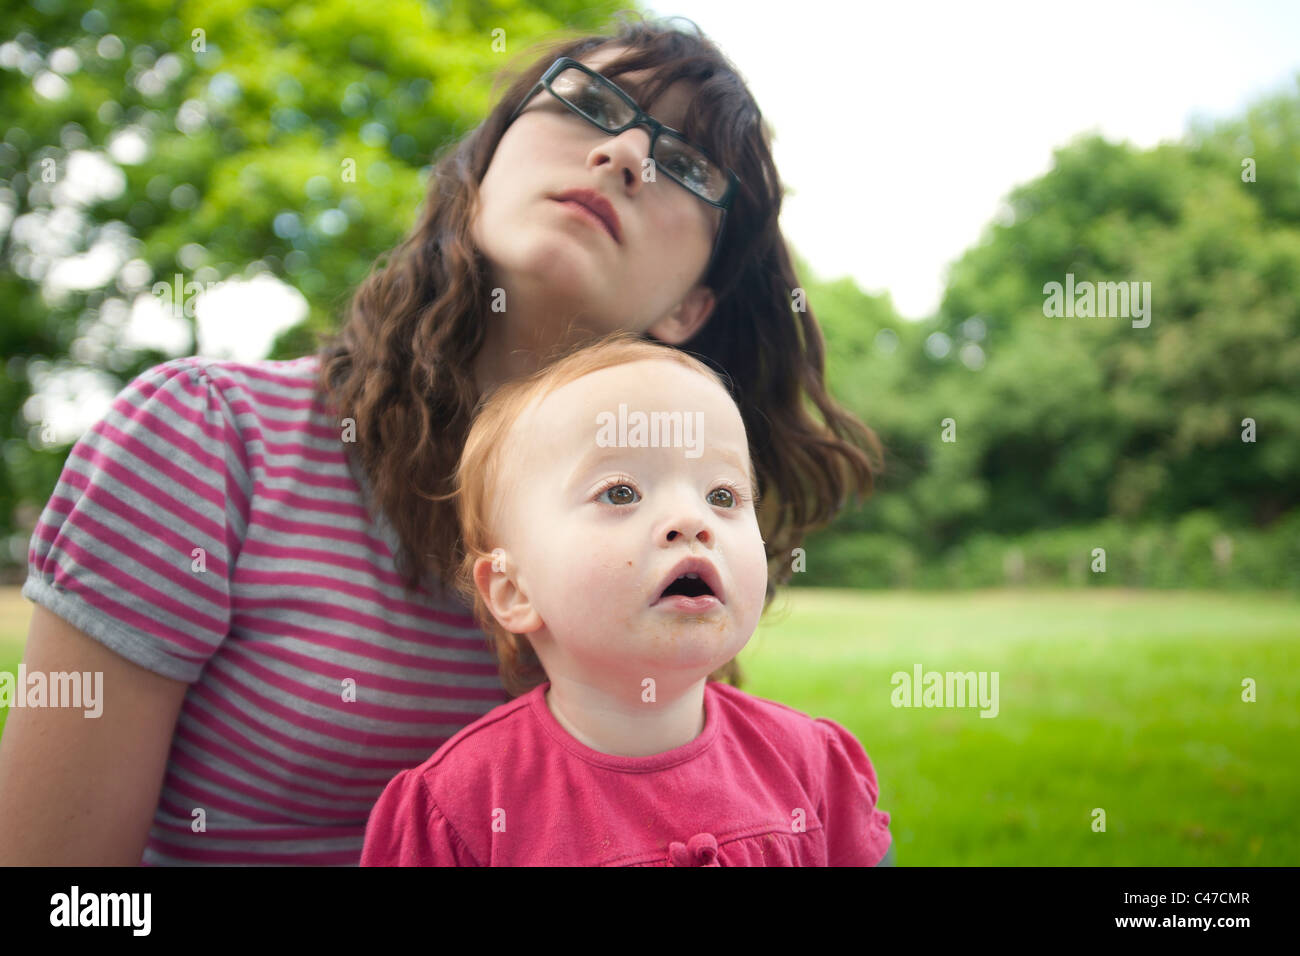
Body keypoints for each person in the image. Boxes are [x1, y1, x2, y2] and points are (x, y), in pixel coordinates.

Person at [0, 12, 885, 865]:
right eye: (589, 104)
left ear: (693, 305)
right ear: (482, 167)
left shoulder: (680, 523)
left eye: (687, 165)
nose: (623, 155)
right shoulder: (204, 437)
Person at [359, 335, 893, 866]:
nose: (692, 520)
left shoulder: (810, 766)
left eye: (723, 495)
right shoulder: (461, 809)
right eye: (620, 492)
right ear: (514, 590)